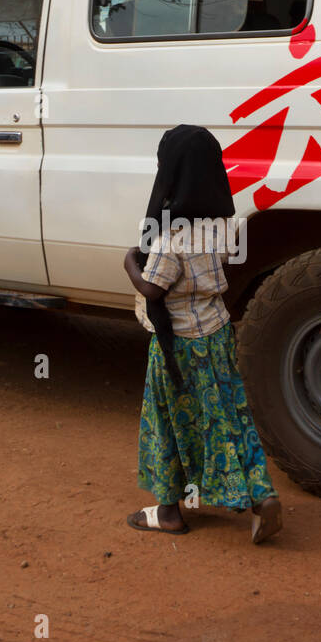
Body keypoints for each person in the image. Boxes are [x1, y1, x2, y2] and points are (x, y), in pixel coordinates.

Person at [123, 124, 283, 543]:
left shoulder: (170, 235)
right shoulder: (222, 226)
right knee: (230, 418)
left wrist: (128, 263)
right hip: (216, 334)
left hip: (176, 346)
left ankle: (169, 511)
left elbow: (153, 288)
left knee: (168, 423)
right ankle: (259, 495)